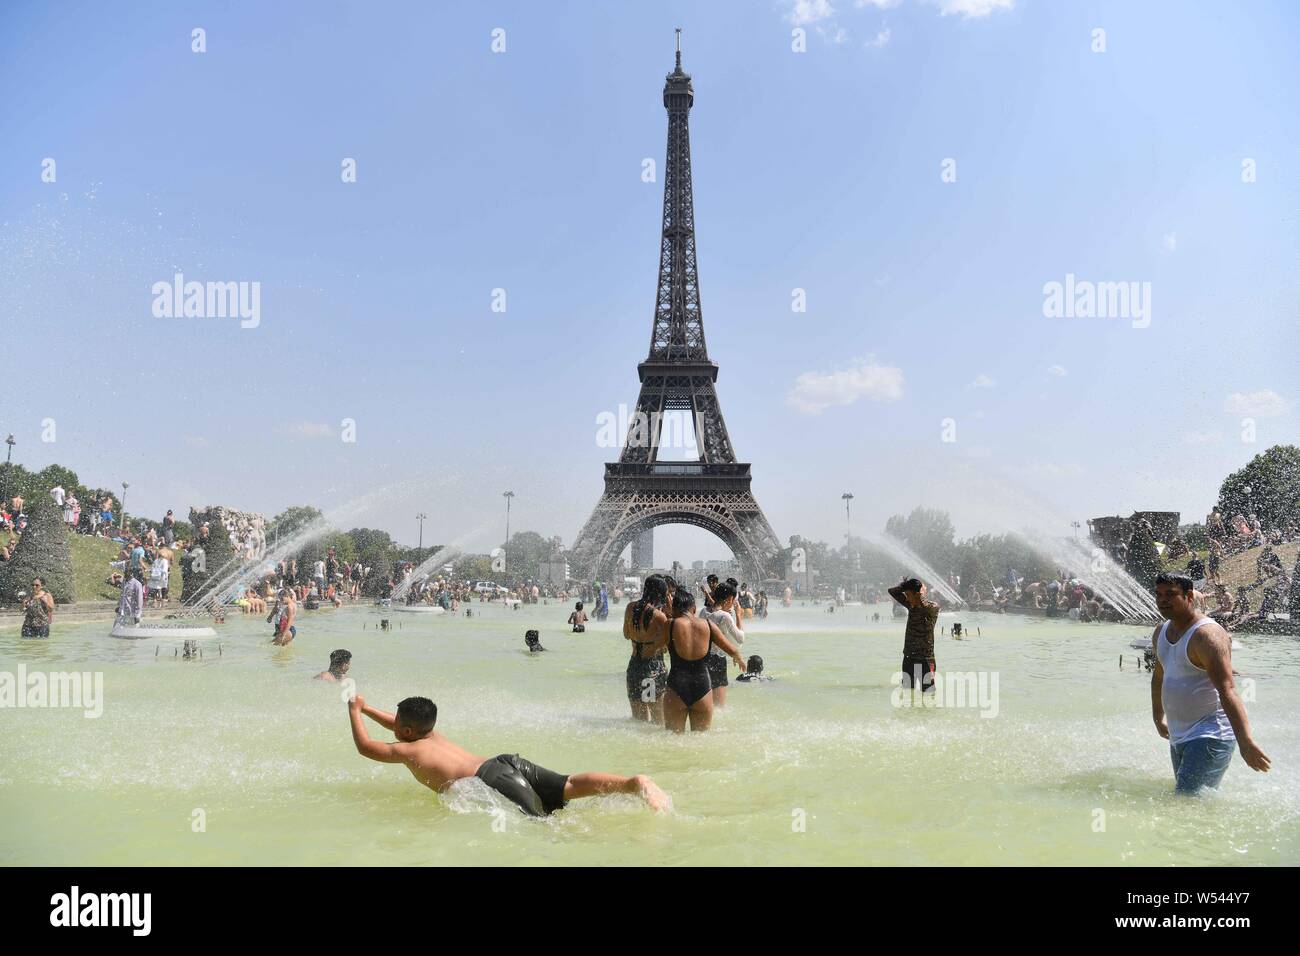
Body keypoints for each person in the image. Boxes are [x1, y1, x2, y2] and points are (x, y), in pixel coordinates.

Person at [346, 694, 668, 816]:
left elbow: (364, 747)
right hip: (502, 763)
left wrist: (354, 710)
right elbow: (399, 723)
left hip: (489, 782)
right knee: (567, 786)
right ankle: (632, 783)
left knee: (544, 826)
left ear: (405, 732)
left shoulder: (406, 749)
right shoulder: (430, 733)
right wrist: (368, 706)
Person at [1150, 571, 1270, 794]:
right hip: (1179, 734)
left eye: (1170, 594)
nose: (1162, 599)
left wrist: (1245, 741)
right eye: (1158, 594)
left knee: (1186, 802)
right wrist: (1158, 718)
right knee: (1191, 802)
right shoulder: (1160, 632)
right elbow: (1158, 678)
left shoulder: (1206, 636)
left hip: (1210, 734)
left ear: (1188, 597)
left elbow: (1228, 690)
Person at [662, 589, 745, 733]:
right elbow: (733, 650)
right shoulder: (707, 625)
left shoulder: (670, 624)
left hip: (676, 687)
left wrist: (668, 614)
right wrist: (740, 660)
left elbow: (654, 648)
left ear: (674, 608)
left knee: (673, 740)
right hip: (703, 688)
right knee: (701, 741)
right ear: (694, 608)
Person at [623, 574, 671, 723]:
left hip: (634, 667)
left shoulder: (630, 608)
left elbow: (626, 634)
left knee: (638, 720)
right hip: (652, 669)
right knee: (658, 720)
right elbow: (665, 648)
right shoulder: (659, 616)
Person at [888, 577, 938, 694]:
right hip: (909, 657)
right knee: (907, 691)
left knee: (928, 693)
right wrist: (904, 585)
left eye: (908, 595)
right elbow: (892, 591)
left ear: (917, 594)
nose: (907, 598)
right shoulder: (911, 606)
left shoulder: (931, 608)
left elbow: (931, 606)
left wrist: (921, 595)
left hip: (926, 658)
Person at [700, 581, 744, 707]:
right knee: (719, 706)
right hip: (718, 660)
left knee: (706, 702)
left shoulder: (704, 612)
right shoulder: (725, 616)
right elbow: (740, 638)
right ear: (729, 598)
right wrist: (739, 616)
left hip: (703, 658)